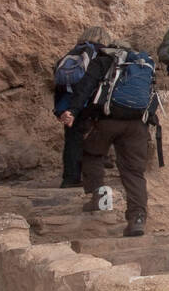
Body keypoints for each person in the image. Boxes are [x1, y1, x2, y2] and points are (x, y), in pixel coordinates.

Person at [59, 40, 160, 237]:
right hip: (138, 124)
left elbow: (85, 87)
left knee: (92, 153)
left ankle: (99, 196)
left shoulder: (104, 61)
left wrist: (72, 111)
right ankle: (137, 218)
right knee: (134, 172)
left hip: (107, 119)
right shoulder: (142, 64)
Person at [52, 26, 109, 188]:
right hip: (89, 103)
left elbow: (59, 85)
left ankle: (70, 178)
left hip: (68, 104)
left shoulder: (71, 54)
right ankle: (92, 180)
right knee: (93, 140)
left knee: (72, 140)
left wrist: (60, 109)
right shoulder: (101, 54)